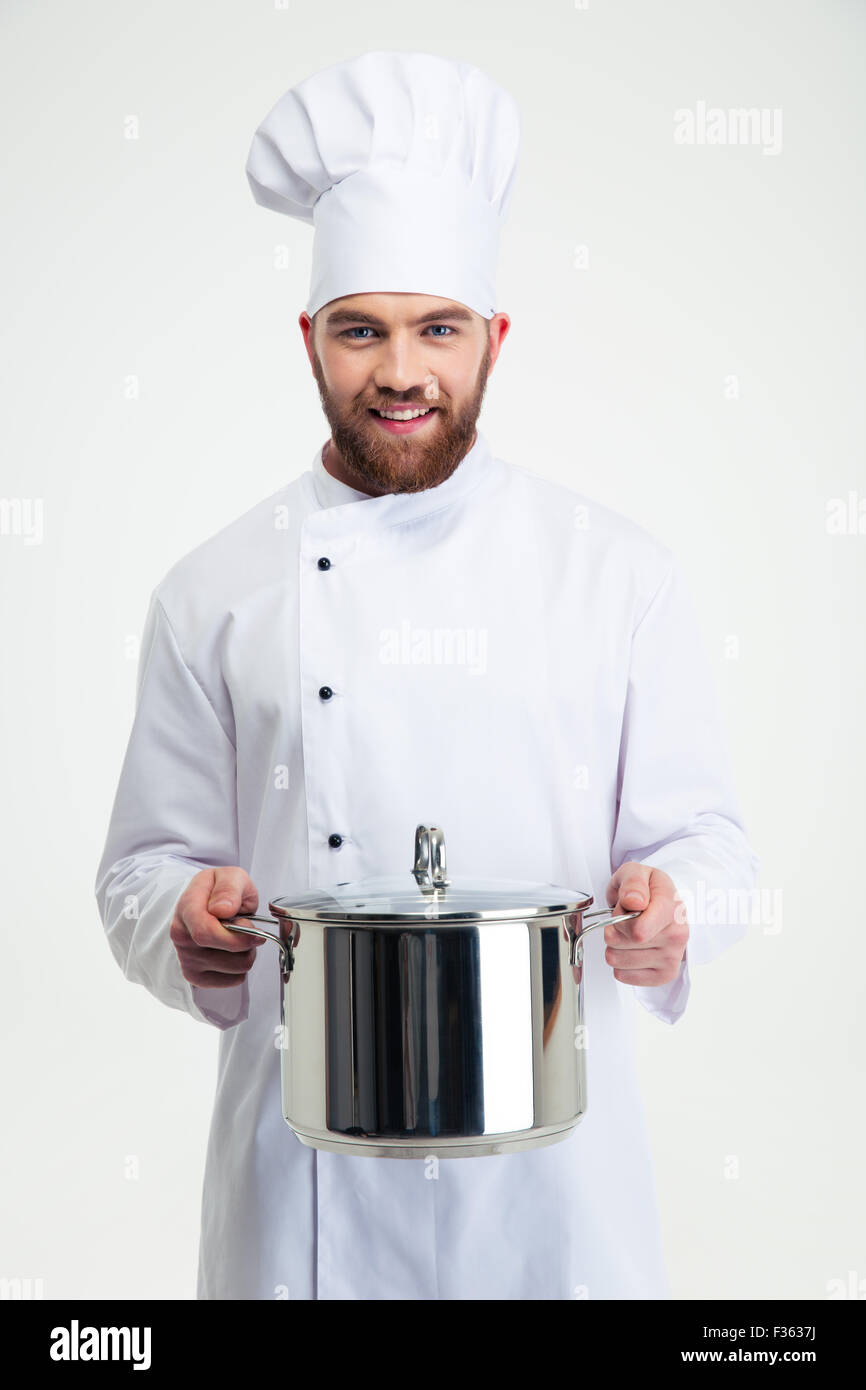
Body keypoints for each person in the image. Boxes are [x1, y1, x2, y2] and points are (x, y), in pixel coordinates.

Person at [95, 50, 759, 1300]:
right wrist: (178, 922)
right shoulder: (211, 589)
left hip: (550, 1192)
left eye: (436, 329)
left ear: (494, 336)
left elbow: (710, 845)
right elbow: (140, 867)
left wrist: (676, 912)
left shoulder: (615, 575)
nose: (400, 374)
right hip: (303, 1195)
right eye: (361, 331)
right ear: (308, 339)